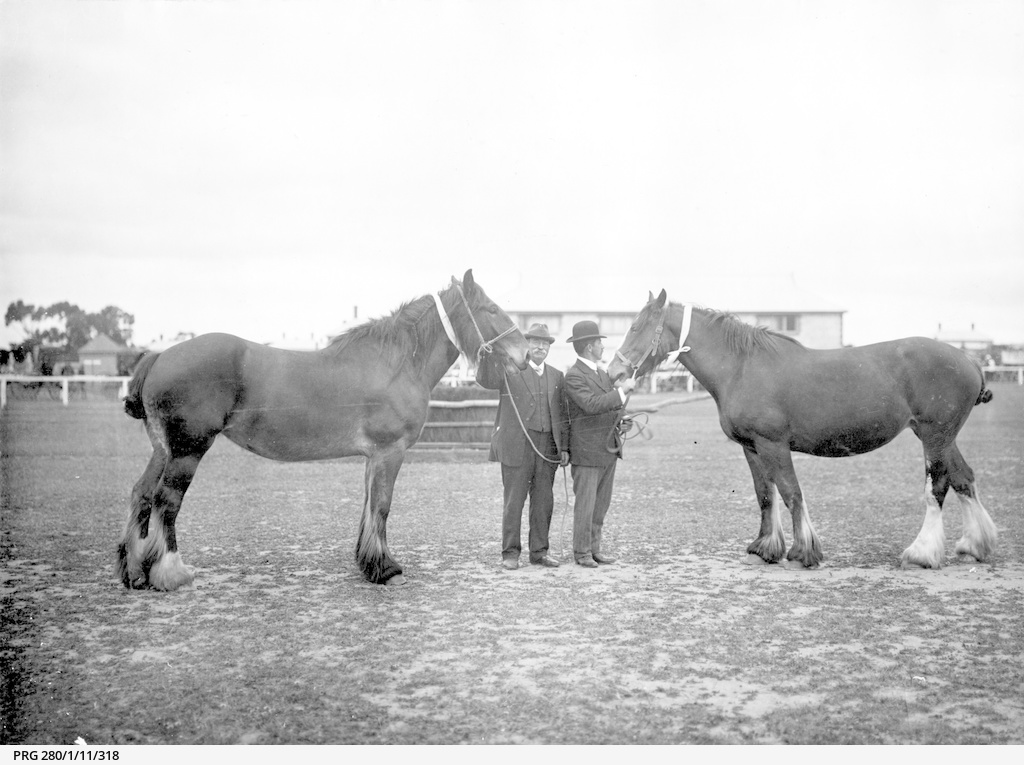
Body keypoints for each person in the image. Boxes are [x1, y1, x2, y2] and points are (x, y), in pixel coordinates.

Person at [476, 323, 570, 570]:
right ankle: (510, 553)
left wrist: (564, 448)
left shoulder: (557, 376)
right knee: (513, 502)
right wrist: (485, 357)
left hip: (547, 448)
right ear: (527, 345)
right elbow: (485, 379)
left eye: (545, 343)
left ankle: (539, 552)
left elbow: (562, 415)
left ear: (549, 347)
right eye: (536, 342)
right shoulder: (509, 369)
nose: (540, 347)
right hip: (516, 446)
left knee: (543, 502)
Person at [563, 320, 636, 568]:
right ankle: (581, 552)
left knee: (600, 505)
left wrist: (622, 420)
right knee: (586, 505)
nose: (602, 347)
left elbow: (611, 406)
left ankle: (594, 549)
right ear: (588, 347)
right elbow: (592, 405)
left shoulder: (602, 374)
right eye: (599, 343)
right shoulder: (573, 377)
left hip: (607, 450)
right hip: (587, 452)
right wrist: (623, 391)